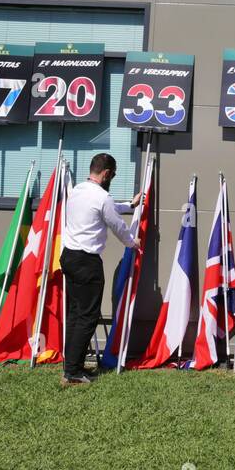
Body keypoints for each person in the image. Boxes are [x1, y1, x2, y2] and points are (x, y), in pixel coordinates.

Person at [59, 153, 142, 386]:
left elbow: (108, 207)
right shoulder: (102, 197)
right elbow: (116, 223)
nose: (112, 178)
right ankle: (73, 373)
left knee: (75, 313)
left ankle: (71, 366)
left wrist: (129, 204)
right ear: (106, 174)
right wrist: (132, 243)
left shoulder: (77, 191)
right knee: (88, 316)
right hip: (87, 262)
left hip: (69, 257)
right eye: (113, 175)